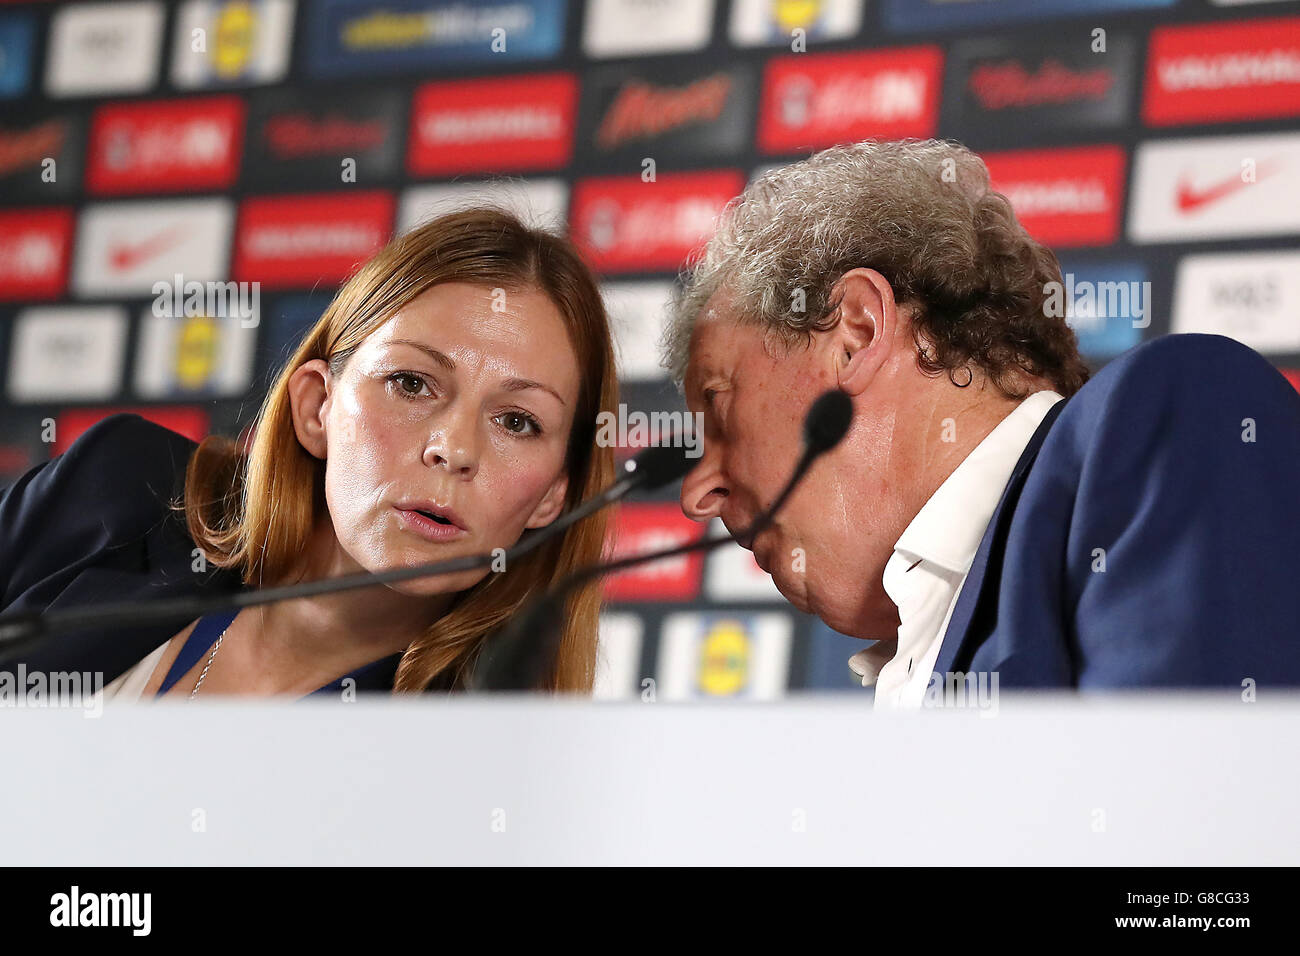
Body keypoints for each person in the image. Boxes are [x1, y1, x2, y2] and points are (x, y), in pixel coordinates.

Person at [666, 138, 1300, 708]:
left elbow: (1190, 820)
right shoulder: (912, 654)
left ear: (856, 333)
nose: (699, 493)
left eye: (719, 405)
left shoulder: (1173, 414)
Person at [0, 207, 618, 700]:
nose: (454, 449)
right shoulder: (118, 485)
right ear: (316, 405)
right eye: (411, 383)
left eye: (517, 421)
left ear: (553, 496)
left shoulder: (469, 765)